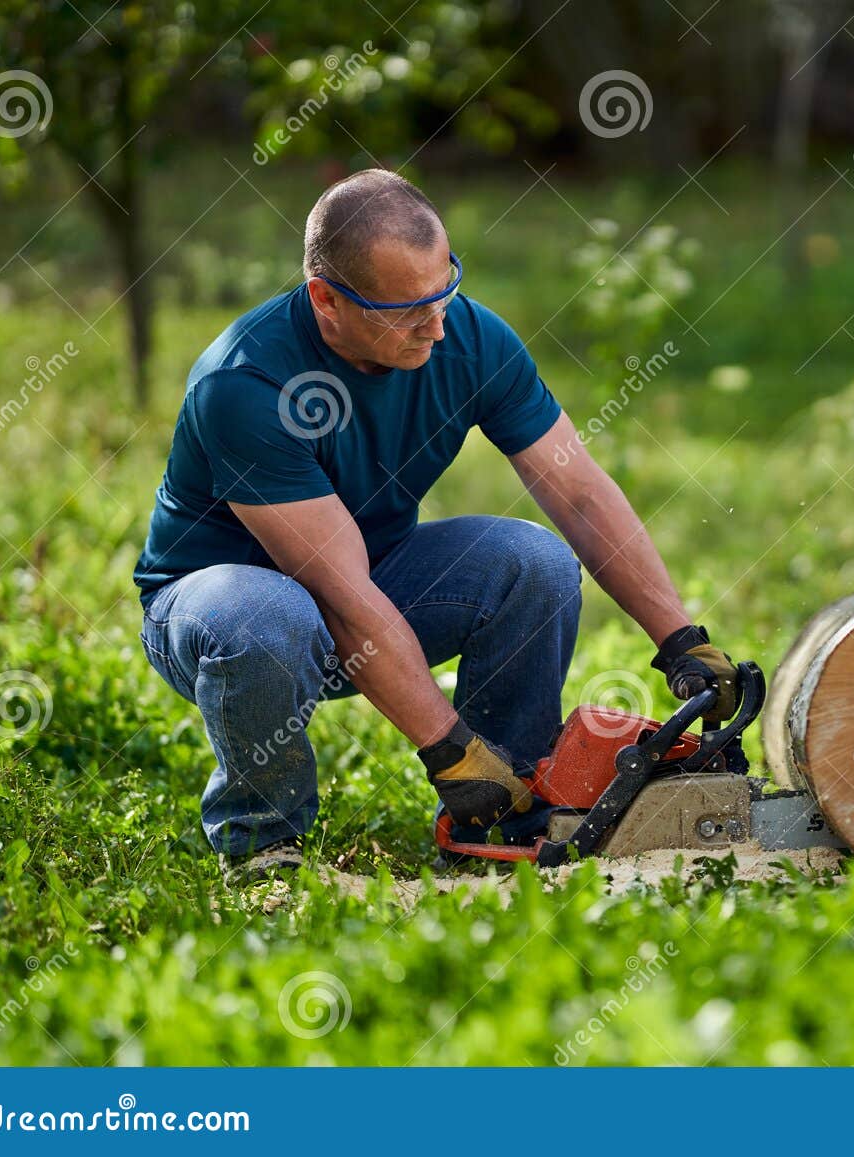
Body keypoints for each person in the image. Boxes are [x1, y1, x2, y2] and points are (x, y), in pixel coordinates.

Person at [133, 168, 736, 884]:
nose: (438, 323)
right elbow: (340, 593)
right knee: (271, 612)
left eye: (446, 287)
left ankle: (501, 814)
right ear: (326, 298)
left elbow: (576, 491)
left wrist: (681, 640)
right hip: (222, 610)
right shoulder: (245, 384)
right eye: (407, 309)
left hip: (374, 575)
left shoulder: (469, 339)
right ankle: (264, 845)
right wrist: (446, 745)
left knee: (531, 562)